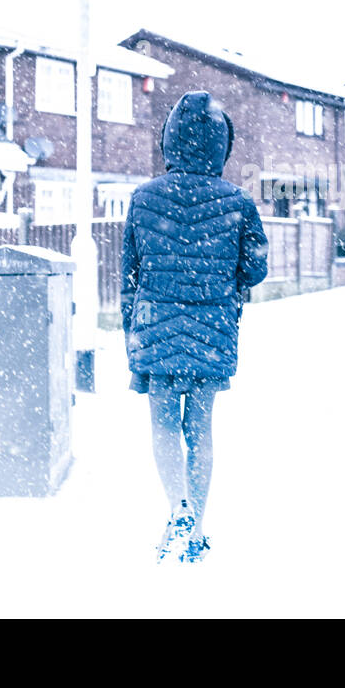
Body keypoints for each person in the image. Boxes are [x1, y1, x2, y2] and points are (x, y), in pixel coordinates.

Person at [121, 91, 269, 563]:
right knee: (199, 426)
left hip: (156, 325)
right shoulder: (238, 202)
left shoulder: (144, 199)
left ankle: (177, 509)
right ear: (220, 146)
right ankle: (198, 529)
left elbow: (130, 271)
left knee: (163, 424)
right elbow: (256, 267)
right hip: (212, 326)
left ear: (169, 141)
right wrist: (226, 275)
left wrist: (133, 328)